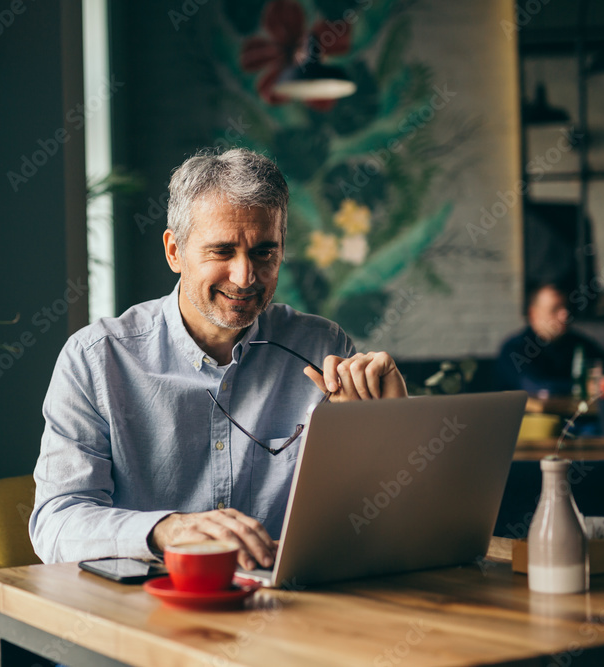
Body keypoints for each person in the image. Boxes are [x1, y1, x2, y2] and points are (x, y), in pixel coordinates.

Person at [29, 148, 407, 572]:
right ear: (175, 252)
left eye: (264, 252)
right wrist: (168, 530)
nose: (245, 277)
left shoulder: (324, 347)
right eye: (222, 251)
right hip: (148, 612)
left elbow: (378, 524)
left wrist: (389, 429)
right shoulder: (96, 359)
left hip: (293, 612)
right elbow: (56, 523)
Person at [496, 283, 604, 396]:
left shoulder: (579, 343)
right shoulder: (514, 349)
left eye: (566, 307)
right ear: (533, 314)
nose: (565, 314)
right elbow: (534, 387)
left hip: (580, 417)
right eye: (555, 309)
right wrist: (584, 386)